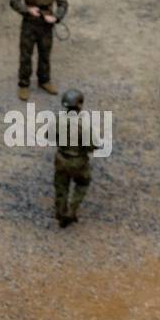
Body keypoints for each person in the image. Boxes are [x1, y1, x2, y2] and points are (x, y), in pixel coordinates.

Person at [10, 0, 68, 100]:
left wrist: (55, 17)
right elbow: (14, 0)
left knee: (45, 54)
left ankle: (44, 80)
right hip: (30, 24)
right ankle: (24, 84)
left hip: (46, 25)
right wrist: (27, 10)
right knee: (26, 55)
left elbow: (63, 3)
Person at [53, 88, 96, 227]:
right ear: (79, 105)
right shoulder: (83, 125)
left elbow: (48, 136)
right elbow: (92, 145)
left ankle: (60, 211)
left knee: (61, 185)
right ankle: (72, 210)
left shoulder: (58, 120)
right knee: (83, 183)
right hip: (78, 161)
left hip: (61, 158)